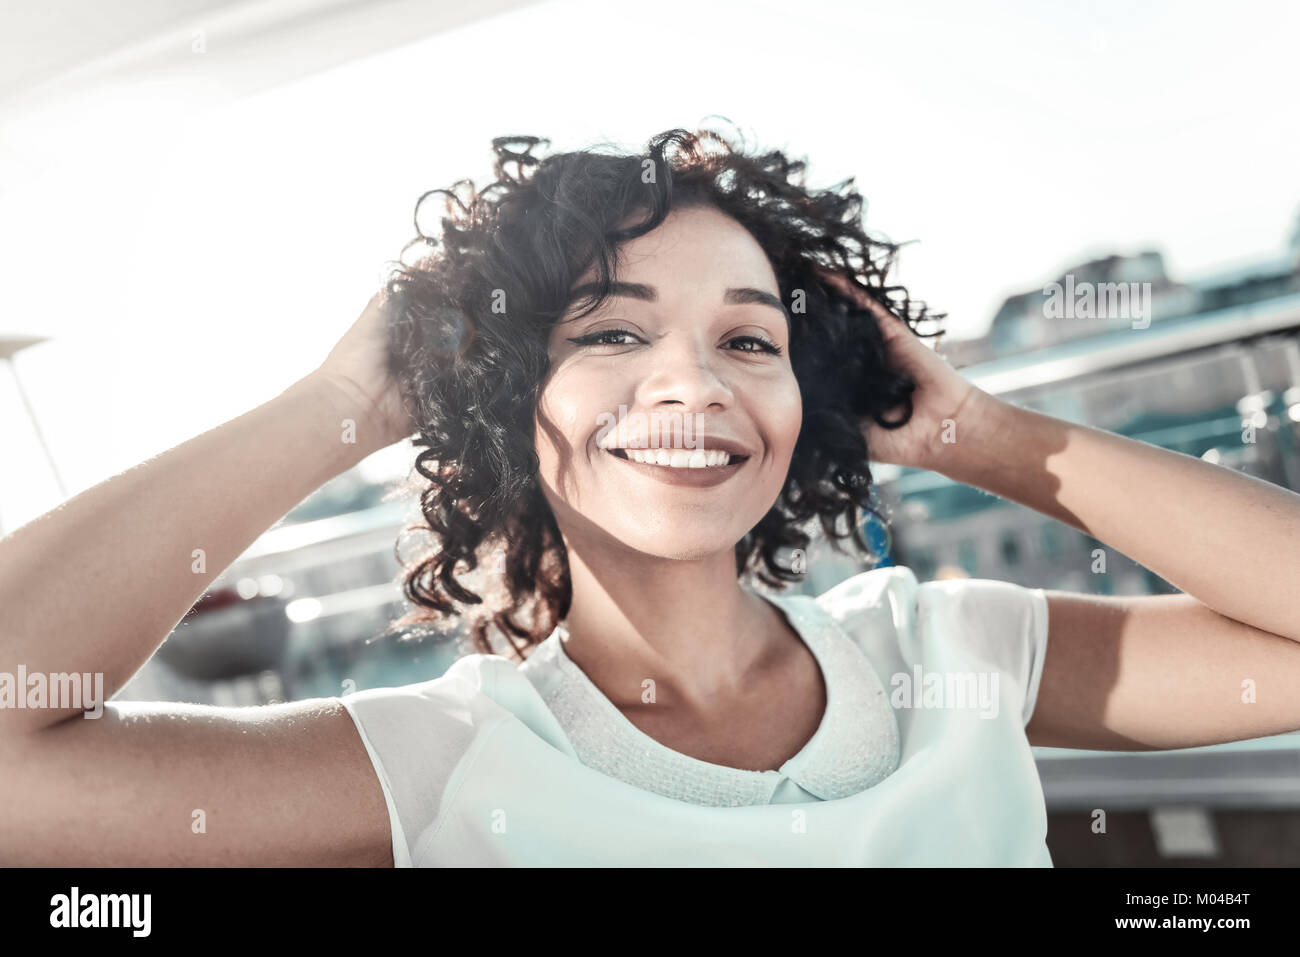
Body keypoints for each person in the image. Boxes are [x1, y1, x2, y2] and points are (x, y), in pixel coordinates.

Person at [3, 128, 1300, 867]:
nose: (694, 380)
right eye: (613, 336)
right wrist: (344, 402)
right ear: (509, 401)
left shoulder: (955, 654)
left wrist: (987, 436)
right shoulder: (447, 760)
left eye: (748, 341)